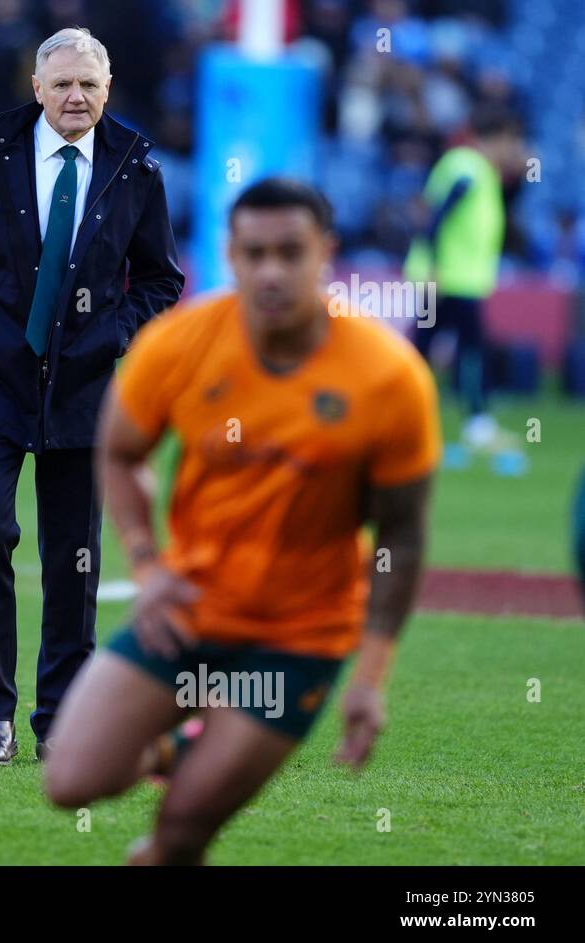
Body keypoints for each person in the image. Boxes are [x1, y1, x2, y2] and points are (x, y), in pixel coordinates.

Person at [44, 178, 440, 864]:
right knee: (70, 781)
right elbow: (119, 450)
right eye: (254, 253)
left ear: (326, 253)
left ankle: (189, 766)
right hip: (190, 608)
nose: (272, 271)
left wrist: (371, 679)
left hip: (300, 636)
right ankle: (177, 742)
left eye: (291, 252)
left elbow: (401, 539)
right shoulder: (181, 343)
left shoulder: (387, 377)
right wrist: (146, 563)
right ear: (230, 254)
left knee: (180, 831)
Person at [0, 27, 183, 764]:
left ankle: (59, 717)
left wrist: (112, 335)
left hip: (86, 390)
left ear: (108, 87)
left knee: (74, 557)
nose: (76, 97)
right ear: (37, 88)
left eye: (89, 84)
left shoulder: (135, 165)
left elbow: (162, 278)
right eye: (62, 84)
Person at [404, 104, 526, 452]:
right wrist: (435, 266)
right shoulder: (468, 167)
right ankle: (476, 423)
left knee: (425, 347)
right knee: (469, 346)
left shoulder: (472, 166)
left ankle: (405, 413)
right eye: (510, 141)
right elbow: (438, 216)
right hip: (449, 278)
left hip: (452, 276)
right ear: (500, 138)